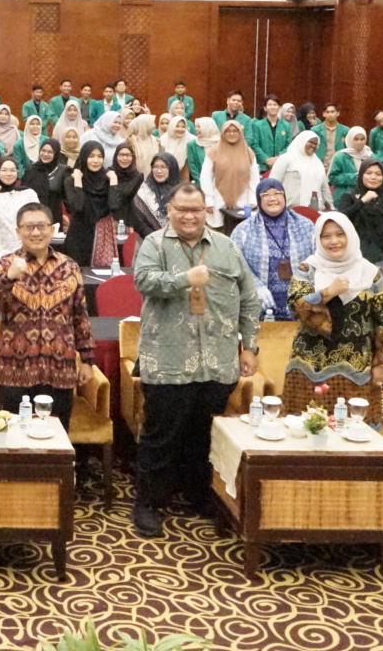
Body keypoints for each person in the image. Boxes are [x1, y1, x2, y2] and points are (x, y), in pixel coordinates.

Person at [132, 182, 260, 538]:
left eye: (196, 210)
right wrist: (184, 279)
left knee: (203, 434)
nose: (189, 216)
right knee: (161, 435)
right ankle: (148, 502)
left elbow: (249, 299)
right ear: (169, 210)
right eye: (182, 209)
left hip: (217, 361)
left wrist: (249, 346)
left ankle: (196, 494)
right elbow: (143, 282)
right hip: (168, 360)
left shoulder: (227, 247)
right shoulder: (154, 244)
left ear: (207, 211)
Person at [282, 213, 383, 427]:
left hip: (356, 368)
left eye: (340, 234)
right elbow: (296, 306)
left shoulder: (371, 273)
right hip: (309, 365)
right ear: (318, 240)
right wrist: (328, 291)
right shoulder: (307, 269)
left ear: (350, 236)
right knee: (306, 428)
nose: (333, 241)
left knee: (355, 430)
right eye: (326, 236)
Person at [0, 199, 94, 428]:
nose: (36, 232)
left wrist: (88, 360)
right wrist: (8, 279)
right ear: (18, 231)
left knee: (56, 438)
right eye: (29, 227)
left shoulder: (69, 267)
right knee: (14, 437)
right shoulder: (5, 264)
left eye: (42, 226)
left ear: (52, 230)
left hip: (60, 369)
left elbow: (80, 315)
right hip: (15, 370)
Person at [231, 179, 317, 320]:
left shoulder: (305, 226)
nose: (272, 198)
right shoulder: (243, 230)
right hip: (260, 305)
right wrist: (255, 286)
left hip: (301, 304)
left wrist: (306, 289)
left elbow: (319, 258)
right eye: (266, 195)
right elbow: (234, 262)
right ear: (258, 199)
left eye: (278, 193)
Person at [60, 140, 117, 270]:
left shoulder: (107, 179)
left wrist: (114, 181)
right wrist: (78, 181)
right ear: (84, 157)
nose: (95, 160)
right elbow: (77, 206)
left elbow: (114, 206)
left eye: (99, 156)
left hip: (102, 236)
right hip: (78, 236)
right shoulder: (71, 180)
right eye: (91, 156)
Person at [200, 119, 259, 231]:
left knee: (240, 231)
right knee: (218, 232)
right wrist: (209, 201)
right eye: (228, 131)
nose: (231, 134)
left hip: (243, 200)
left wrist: (253, 200)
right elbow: (206, 177)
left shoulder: (248, 152)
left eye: (235, 131)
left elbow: (254, 178)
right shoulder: (214, 151)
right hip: (218, 198)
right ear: (223, 133)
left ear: (240, 133)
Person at [337, 160, 383, 264]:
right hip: (356, 257)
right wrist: (362, 201)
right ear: (361, 175)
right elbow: (340, 220)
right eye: (369, 173)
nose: (373, 177)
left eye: (378, 174)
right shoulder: (349, 197)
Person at [272, 132, 328, 211]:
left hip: (313, 210)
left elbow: (324, 189)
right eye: (310, 142)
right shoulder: (286, 159)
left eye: (316, 144)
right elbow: (273, 184)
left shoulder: (318, 163)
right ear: (302, 141)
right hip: (289, 209)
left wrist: (331, 207)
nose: (313, 146)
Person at [133, 151, 181, 235]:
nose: (159, 171)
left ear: (172, 168)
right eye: (155, 167)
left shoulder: (182, 191)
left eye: (163, 167)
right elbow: (138, 221)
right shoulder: (145, 190)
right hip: (149, 240)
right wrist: (155, 238)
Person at [326, 126, 374, 205]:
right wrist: (355, 177)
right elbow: (332, 178)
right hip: (344, 197)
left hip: (366, 197)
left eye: (362, 139)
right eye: (356, 139)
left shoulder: (370, 156)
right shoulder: (340, 156)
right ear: (350, 139)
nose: (359, 142)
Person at [246, 96, 294, 173]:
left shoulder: (286, 126)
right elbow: (255, 145)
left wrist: (278, 158)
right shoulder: (257, 125)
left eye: (275, 105)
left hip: (281, 166)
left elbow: (289, 145)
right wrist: (266, 159)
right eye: (270, 105)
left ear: (279, 107)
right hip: (263, 167)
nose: (272, 107)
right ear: (265, 108)